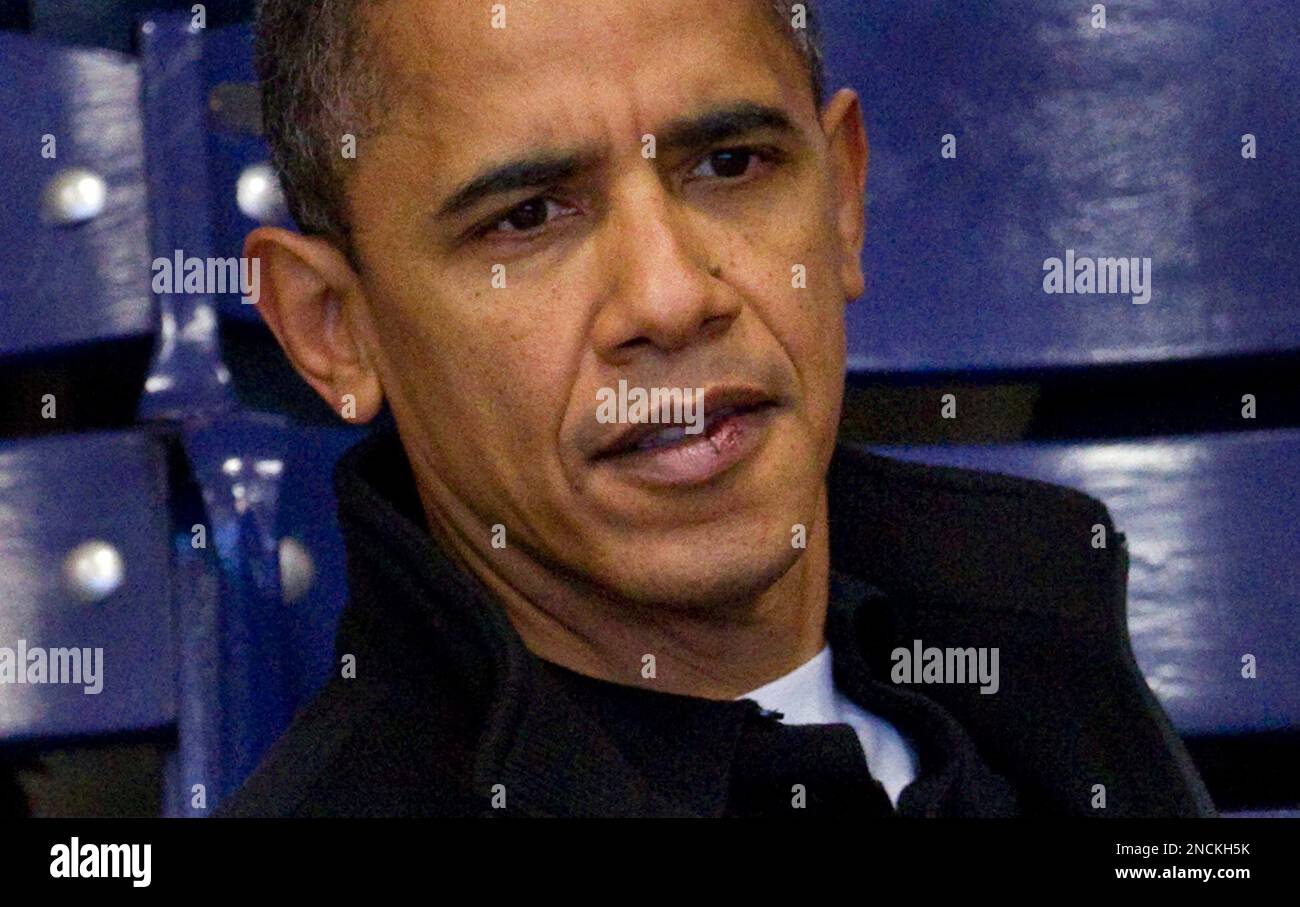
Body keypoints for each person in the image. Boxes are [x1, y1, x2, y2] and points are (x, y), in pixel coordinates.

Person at [215, 0, 1214, 817]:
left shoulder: (1041, 642)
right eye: (526, 217)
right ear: (331, 328)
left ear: (840, 201)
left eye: (728, 163)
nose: (672, 295)